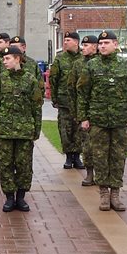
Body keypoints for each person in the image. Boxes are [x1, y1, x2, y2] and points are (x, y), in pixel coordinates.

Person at [76, 30, 127, 212]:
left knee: (118, 157)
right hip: (98, 120)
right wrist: (84, 117)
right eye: (101, 44)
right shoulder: (91, 66)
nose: (103, 46)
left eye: (107, 43)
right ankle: (104, 193)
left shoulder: (126, 65)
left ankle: (115, 193)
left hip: (120, 120)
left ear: (115, 44)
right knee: (100, 157)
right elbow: (82, 93)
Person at [0, 44, 43, 212]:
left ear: (17, 59)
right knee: (5, 165)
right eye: (3, 59)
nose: (4, 62)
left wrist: (36, 130)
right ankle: (9, 197)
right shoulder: (1, 79)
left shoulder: (30, 79)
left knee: (24, 165)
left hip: (25, 131)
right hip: (4, 131)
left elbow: (37, 106)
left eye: (7, 59)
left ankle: (21, 197)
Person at [48, 32, 84, 169]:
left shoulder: (83, 58)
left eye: (68, 40)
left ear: (76, 42)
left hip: (80, 102)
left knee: (79, 130)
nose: (65, 42)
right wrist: (55, 98)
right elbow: (53, 79)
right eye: (65, 40)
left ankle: (77, 156)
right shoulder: (60, 59)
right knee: (65, 130)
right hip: (64, 101)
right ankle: (68, 156)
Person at [76, 35, 98, 186]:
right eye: (82, 45)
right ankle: (89, 173)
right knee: (87, 146)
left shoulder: (101, 64)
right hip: (85, 112)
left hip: (101, 112)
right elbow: (73, 89)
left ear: (94, 47)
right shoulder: (78, 65)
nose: (83, 48)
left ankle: (103, 176)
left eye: (86, 45)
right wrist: (77, 112)